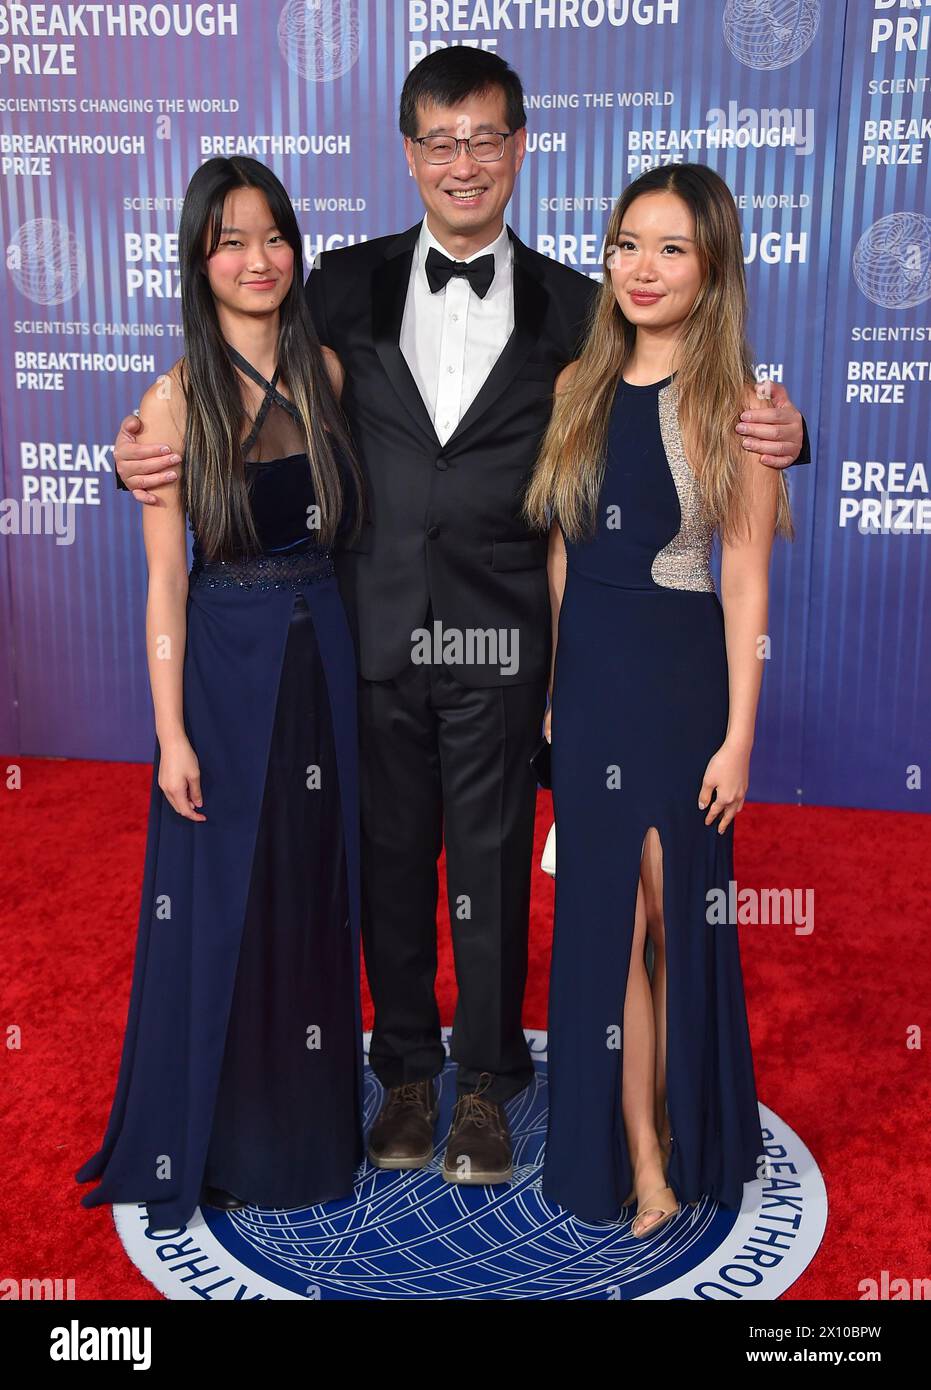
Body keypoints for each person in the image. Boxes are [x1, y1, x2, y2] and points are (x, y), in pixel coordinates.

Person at [111, 50, 810, 1188]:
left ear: (523, 146)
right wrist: (131, 445)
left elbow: (682, 387)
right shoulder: (336, 284)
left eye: (486, 138)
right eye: (440, 141)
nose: (464, 162)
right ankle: (405, 1071)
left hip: (507, 641)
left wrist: (789, 433)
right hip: (365, 632)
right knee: (387, 865)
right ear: (407, 155)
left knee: (487, 863)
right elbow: (229, 375)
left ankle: (488, 1081)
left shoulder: (580, 308)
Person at [75, 156, 366, 1230]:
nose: (258, 259)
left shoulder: (328, 371)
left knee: (313, 886)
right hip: (226, 659)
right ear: (200, 260)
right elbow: (164, 579)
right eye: (232, 241)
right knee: (221, 901)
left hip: (322, 648)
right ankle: (223, 1135)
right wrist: (168, 734)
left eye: (274, 236)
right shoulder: (172, 396)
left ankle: (310, 1134)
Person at [524, 163, 794, 1235]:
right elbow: (559, 556)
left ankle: (681, 1120)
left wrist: (737, 740)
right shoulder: (575, 386)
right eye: (627, 243)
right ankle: (638, 1152)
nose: (642, 267)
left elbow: (744, 583)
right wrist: (551, 691)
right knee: (607, 921)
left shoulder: (743, 409)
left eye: (671, 248)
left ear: (713, 265)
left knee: (674, 921)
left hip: (682, 692)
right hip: (589, 688)